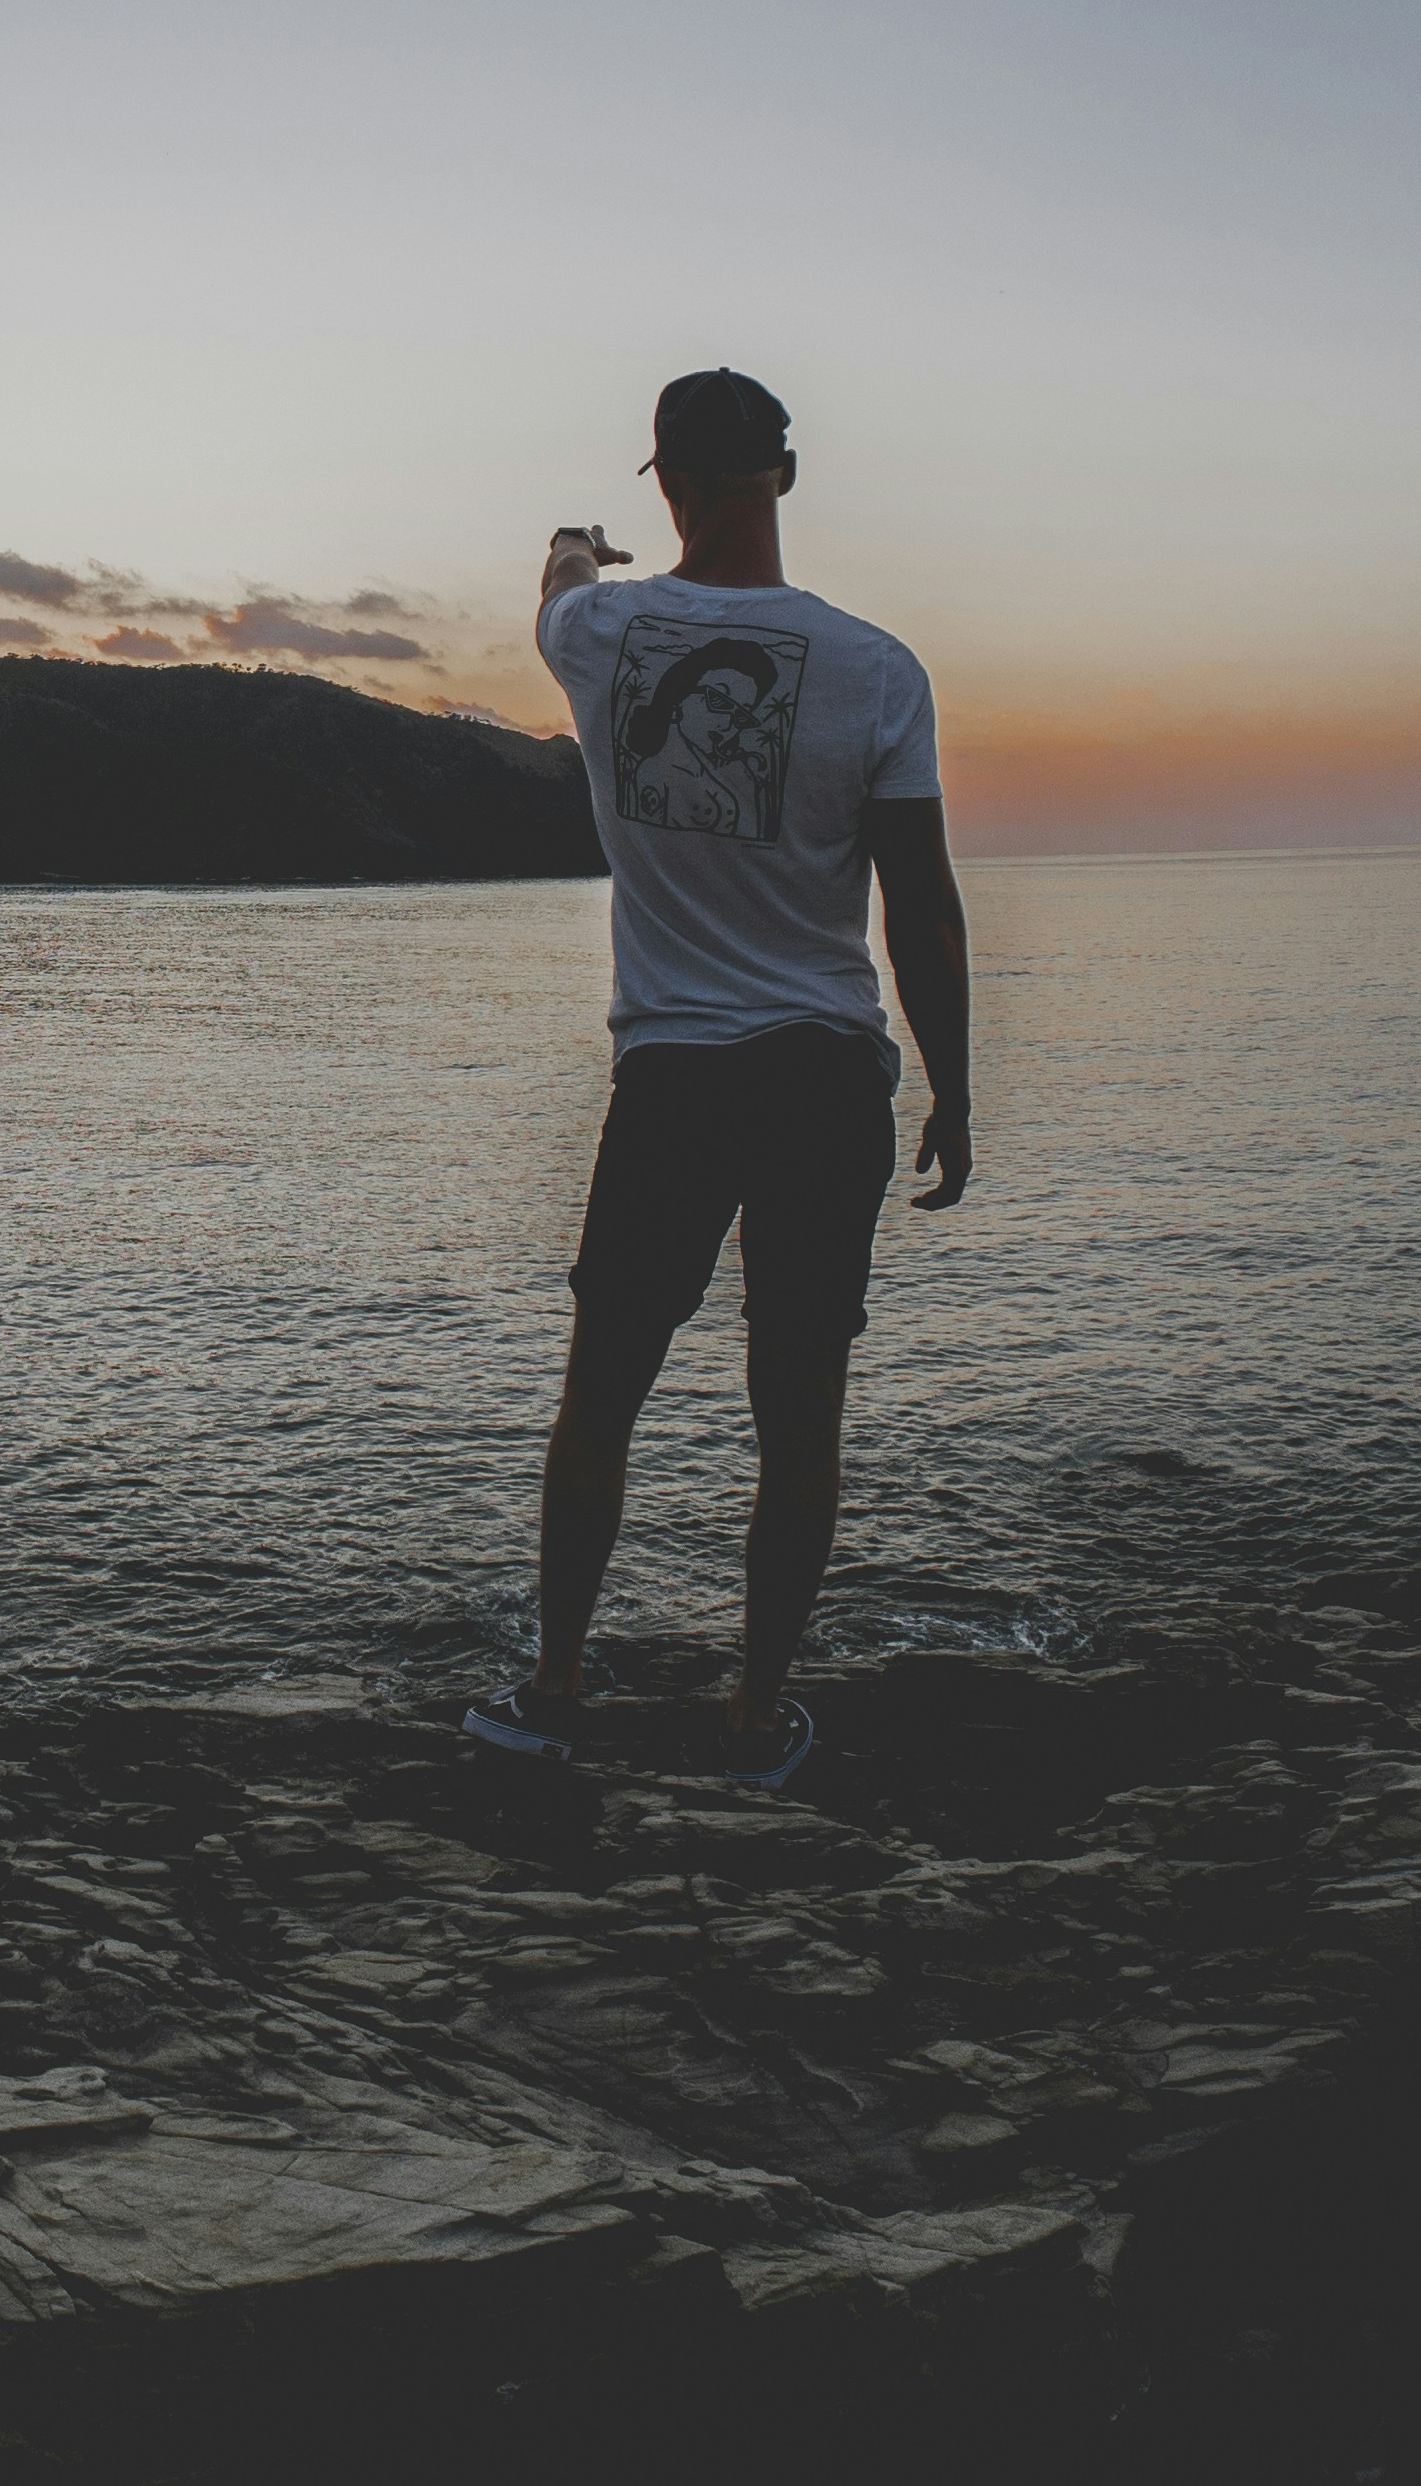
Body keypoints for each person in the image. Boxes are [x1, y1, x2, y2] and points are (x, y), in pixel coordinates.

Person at [466, 366, 970, 1785]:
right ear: (786, 479)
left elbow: (557, 580)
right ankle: (754, 1718)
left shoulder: (606, 632)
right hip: (826, 1076)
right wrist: (958, 1089)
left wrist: (584, 544)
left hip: (675, 1079)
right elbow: (920, 904)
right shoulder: (878, 668)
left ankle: (556, 1688)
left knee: (604, 1388)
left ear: (668, 483)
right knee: (798, 1402)